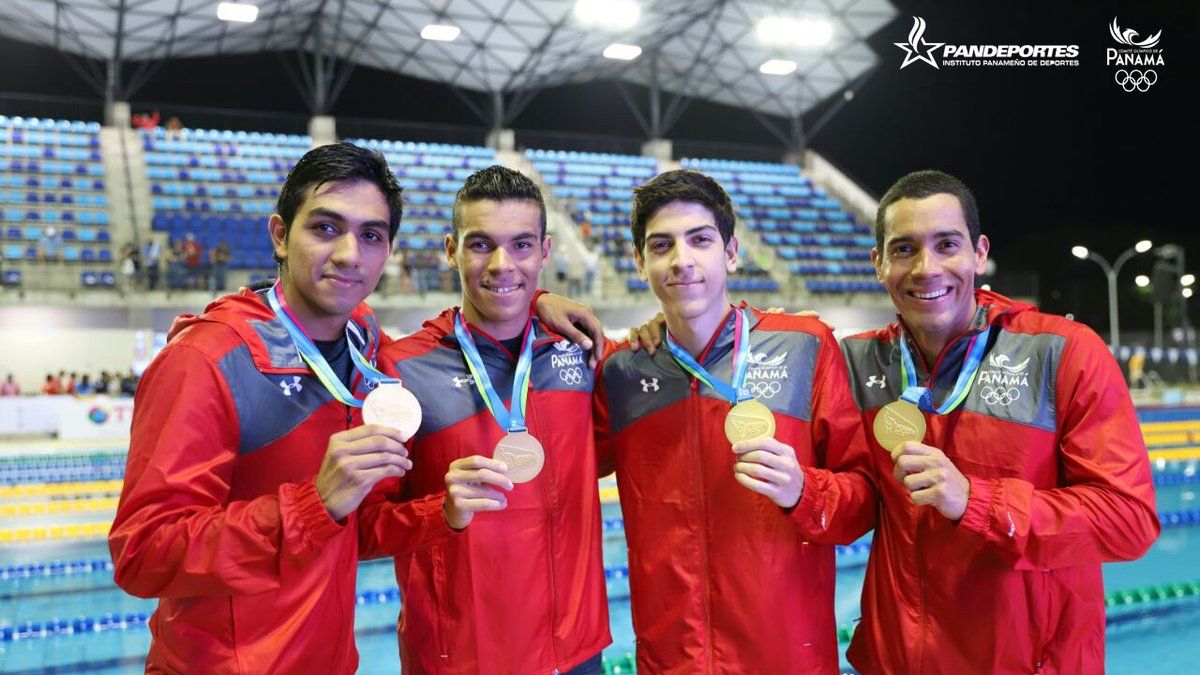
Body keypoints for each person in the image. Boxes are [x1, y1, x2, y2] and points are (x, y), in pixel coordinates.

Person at [108, 143, 468, 673]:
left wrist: (442, 514)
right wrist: (310, 505)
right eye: (325, 228)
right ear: (280, 234)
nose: (349, 254)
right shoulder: (204, 362)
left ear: (388, 251)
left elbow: (351, 530)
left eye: (371, 235)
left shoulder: (364, 343)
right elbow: (143, 554)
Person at [794, 170, 1159, 673]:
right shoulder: (855, 364)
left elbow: (1129, 521)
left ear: (979, 253)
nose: (927, 267)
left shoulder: (1064, 353)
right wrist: (767, 335)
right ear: (877, 264)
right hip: (895, 661)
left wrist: (976, 502)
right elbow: (846, 506)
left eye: (947, 244)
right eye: (904, 249)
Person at [592, 169, 866, 672]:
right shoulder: (621, 372)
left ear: (732, 251)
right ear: (639, 262)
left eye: (700, 239)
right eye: (661, 245)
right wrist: (544, 301)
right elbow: (563, 462)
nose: (682, 260)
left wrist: (804, 492)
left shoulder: (804, 346)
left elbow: (864, 499)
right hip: (672, 658)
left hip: (785, 657)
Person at [362, 165, 612, 675]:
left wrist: (541, 300)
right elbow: (361, 526)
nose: (502, 264)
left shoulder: (582, 354)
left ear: (544, 252)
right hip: (461, 658)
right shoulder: (400, 370)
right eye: (481, 245)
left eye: (521, 245)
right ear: (451, 250)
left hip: (578, 651)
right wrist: (440, 512)